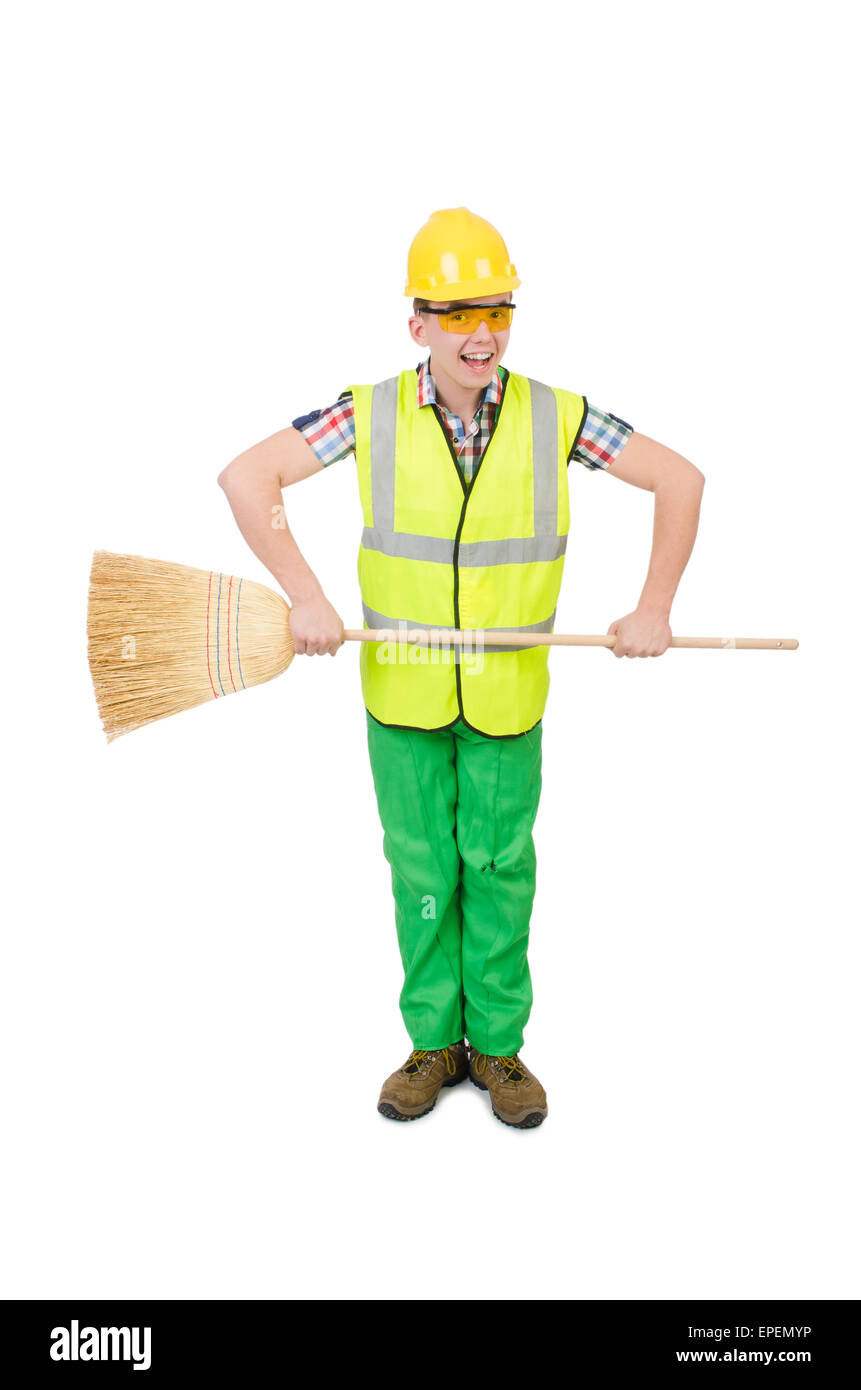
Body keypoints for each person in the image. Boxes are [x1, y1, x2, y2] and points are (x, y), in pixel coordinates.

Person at [217, 207, 705, 1129]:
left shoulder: (559, 416)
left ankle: (500, 1051)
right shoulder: (364, 412)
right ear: (418, 325)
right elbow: (248, 477)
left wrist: (654, 609)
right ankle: (432, 1046)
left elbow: (680, 480)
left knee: (499, 865)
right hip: (399, 690)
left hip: (508, 695)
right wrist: (305, 597)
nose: (481, 334)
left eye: (498, 312)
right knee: (421, 868)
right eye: (457, 314)